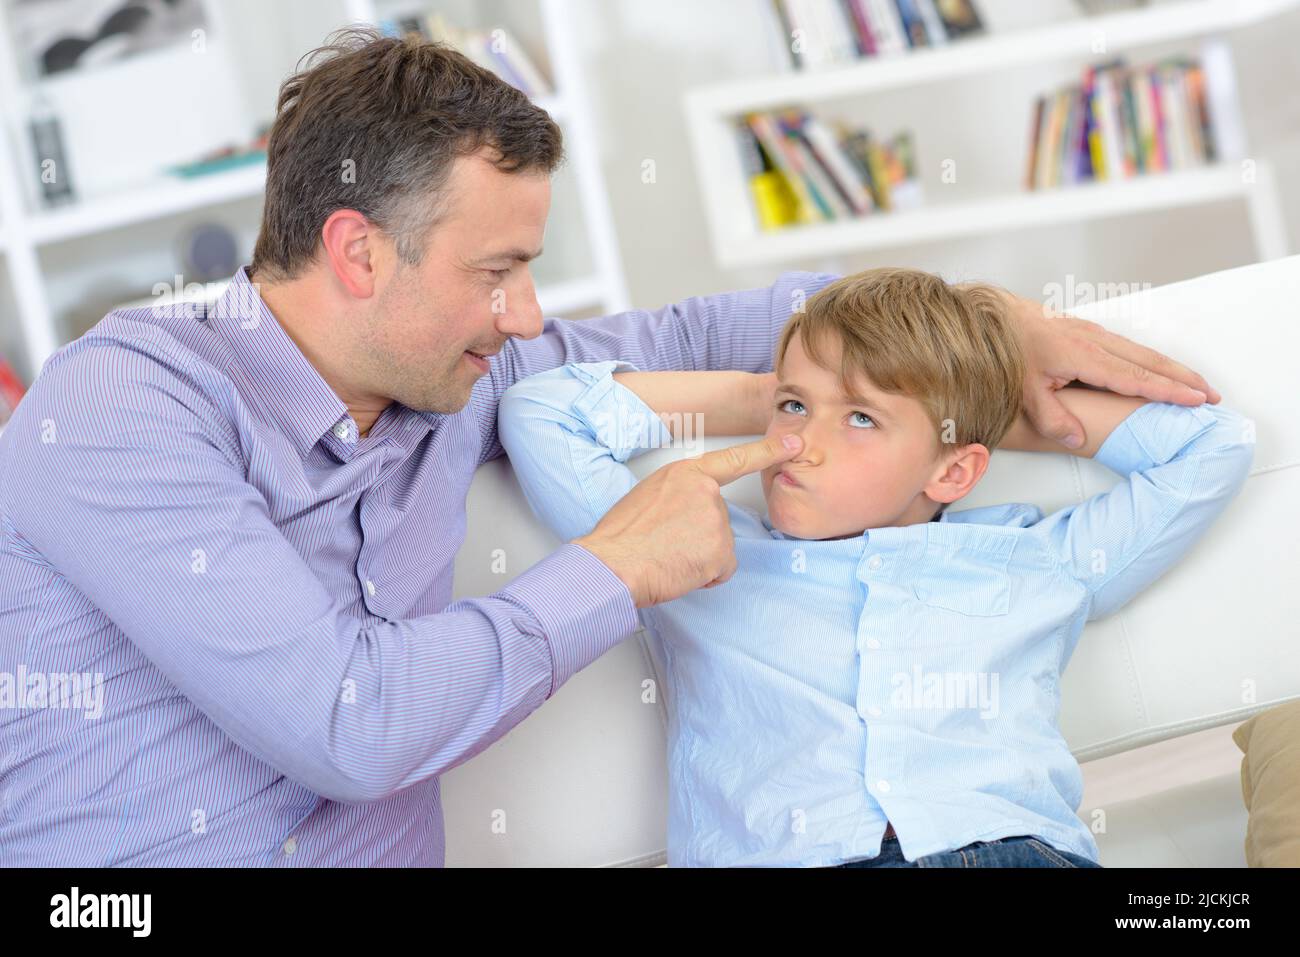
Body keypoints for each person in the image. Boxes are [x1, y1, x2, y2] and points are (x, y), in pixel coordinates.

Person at [0, 31, 1219, 866]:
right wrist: (620, 565)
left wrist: (982, 321)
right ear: (359, 252)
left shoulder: (455, 368)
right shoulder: (122, 409)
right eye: (499, 271)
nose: (529, 316)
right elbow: (349, 722)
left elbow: (699, 330)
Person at [497, 267, 1254, 867]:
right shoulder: (692, 551)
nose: (802, 443)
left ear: (958, 473)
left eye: (861, 417)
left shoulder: (1036, 559)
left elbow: (1213, 446)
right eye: (795, 407)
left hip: (1012, 852)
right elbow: (542, 410)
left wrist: (1004, 419)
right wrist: (763, 395)